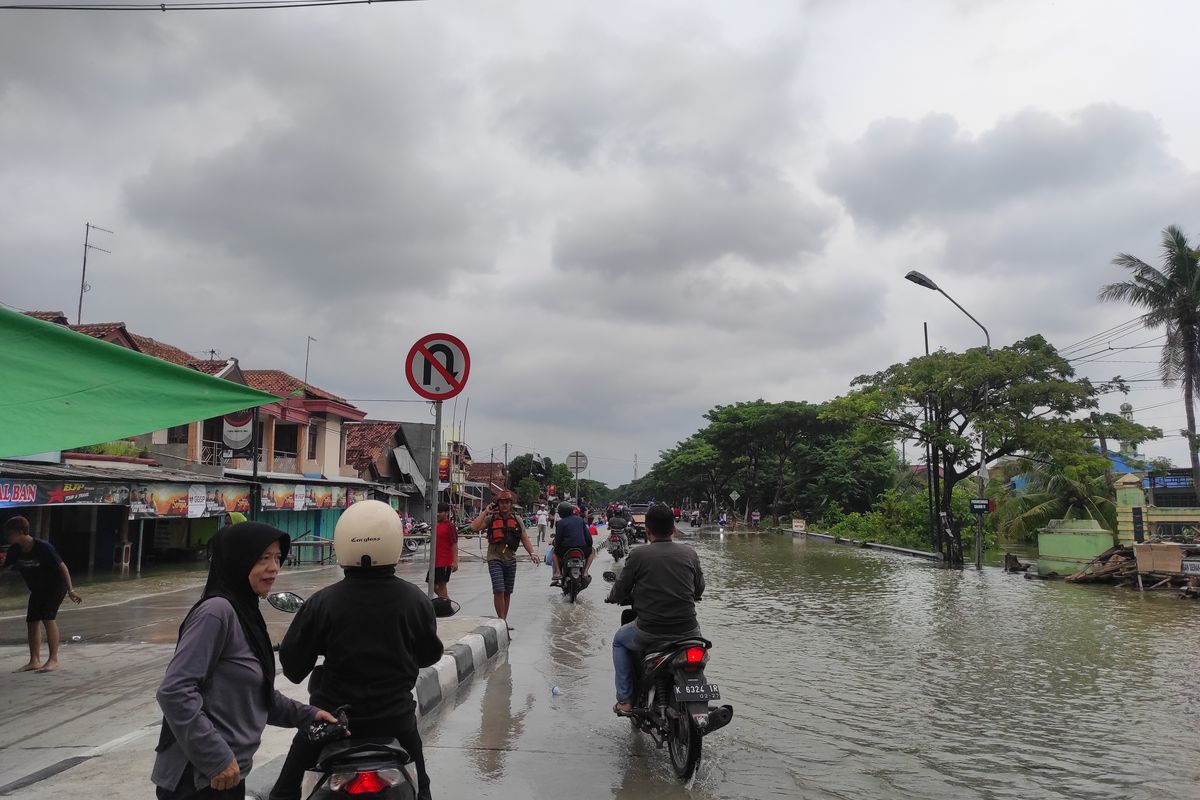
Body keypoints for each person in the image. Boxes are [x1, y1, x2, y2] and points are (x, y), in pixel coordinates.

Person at [270, 500, 444, 800]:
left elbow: (295, 668)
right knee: (422, 791)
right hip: (396, 721)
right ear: (395, 540)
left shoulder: (322, 602)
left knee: (284, 793)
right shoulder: (415, 600)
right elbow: (430, 655)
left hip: (332, 721)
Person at [153, 523, 338, 799]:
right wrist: (215, 757)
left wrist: (307, 715)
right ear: (238, 560)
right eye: (263, 558)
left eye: (277, 558)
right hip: (198, 779)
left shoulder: (245, 613)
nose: (274, 567)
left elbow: (255, 694)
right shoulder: (217, 612)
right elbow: (174, 691)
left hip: (226, 774)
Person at [606, 504, 704, 715]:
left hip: (649, 630)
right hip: (689, 631)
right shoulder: (690, 553)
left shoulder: (638, 555)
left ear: (647, 530)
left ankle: (624, 700)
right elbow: (699, 588)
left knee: (619, 641)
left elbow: (621, 588)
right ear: (674, 529)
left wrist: (611, 597)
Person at [2, 516, 82, 673]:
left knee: (47, 618)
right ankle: (34, 660)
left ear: (20, 532)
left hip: (55, 586)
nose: (7, 536)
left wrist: (71, 590)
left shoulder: (43, 547)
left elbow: (63, 567)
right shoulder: (15, 550)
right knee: (32, 620)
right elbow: (5, 568)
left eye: (10, 533)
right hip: (38, 589)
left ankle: (53, 659)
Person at [469, 490, 539, 630]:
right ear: (498, 504)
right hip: (495, 558)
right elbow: (474, 527)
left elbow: (524, 537)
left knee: (507, 591)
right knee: (498, 590)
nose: (505, 505)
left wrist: (532, 553)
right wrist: (485, 512)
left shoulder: (517, 519)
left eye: (507, 502)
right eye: (502, 503)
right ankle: (501, 621)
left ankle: (504, 620)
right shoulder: (491, 519)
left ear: (511, 504)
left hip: (510, 559)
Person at [550, 502, 595, 587]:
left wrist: (555, 544)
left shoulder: (560, 523)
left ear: (561, 512)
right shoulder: (580, 520)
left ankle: (558, 572)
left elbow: (558, 540)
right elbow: (588, 537)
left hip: (565, 550)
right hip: (582, 549)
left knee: (554, 552)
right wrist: (589, 545)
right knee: (592, 551)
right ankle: (585, 572)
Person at [429, 502, 458, 600]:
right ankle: (447, 603)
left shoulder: (450, 526)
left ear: (446, 513)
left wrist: (455, 561)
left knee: (441, 586)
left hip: (445, 562)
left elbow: (454, 544)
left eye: (440, 512)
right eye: (437, 512)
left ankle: (447, 606)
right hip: (435, 562)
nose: (437, 514)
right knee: (432, 585)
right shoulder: (436, 525)